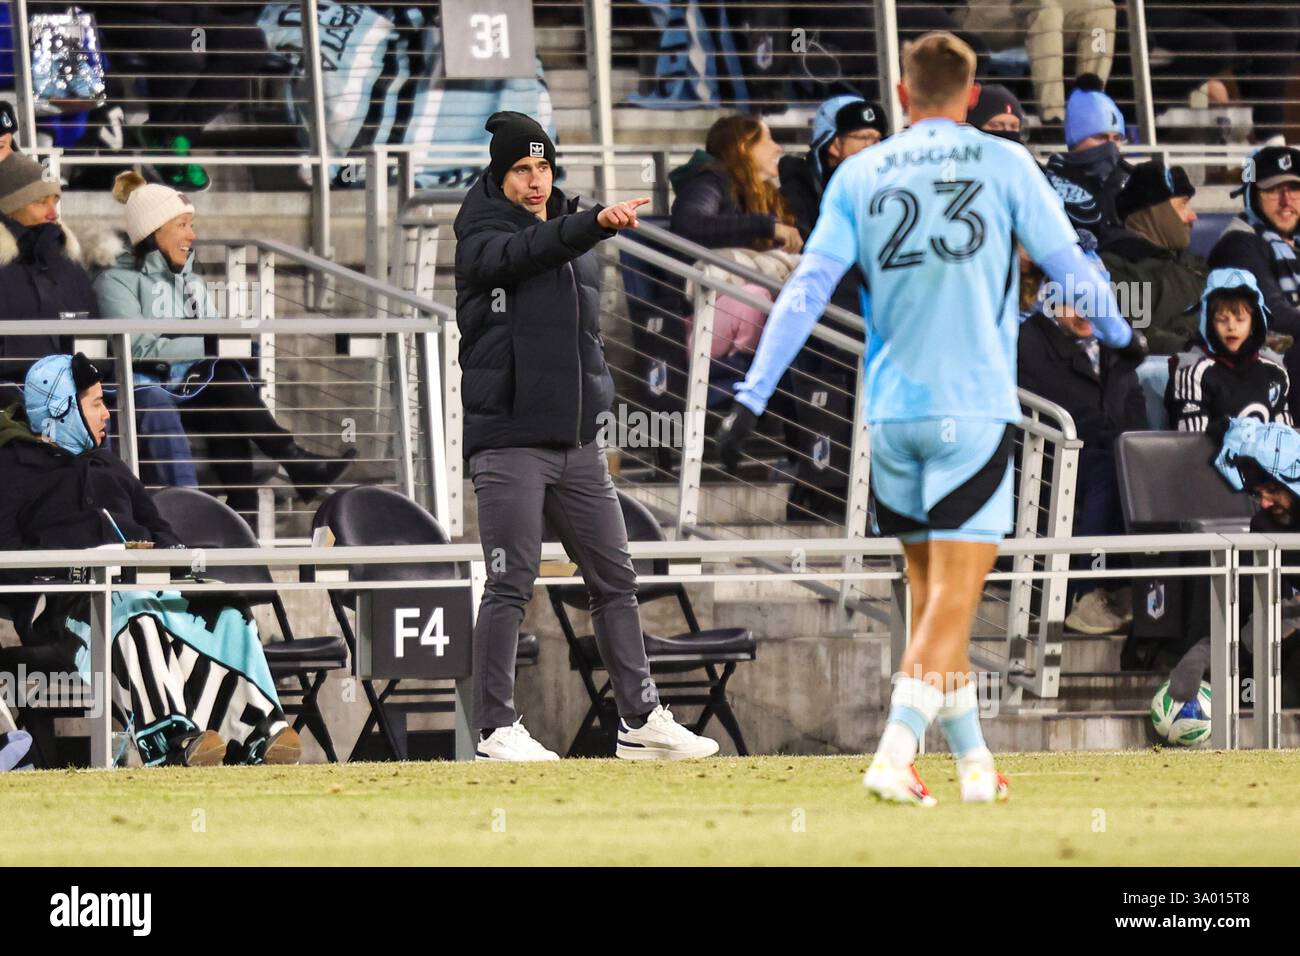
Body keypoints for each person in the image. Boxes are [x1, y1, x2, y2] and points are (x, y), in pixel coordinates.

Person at [718, 32, 1143, 804]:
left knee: (927, 592)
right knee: (956, 597)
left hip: (890, 419)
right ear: (973, 95)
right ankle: (893, 749)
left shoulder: (862, 172)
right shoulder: (1005, 161)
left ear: (904, 96)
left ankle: (975, 764)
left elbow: (808, 289)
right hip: (971, 410)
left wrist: (750, 397)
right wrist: (1121, 334)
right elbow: (1070, 265)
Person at [454, 111, 719, 762]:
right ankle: (493, 730)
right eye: (522, 168)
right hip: (510, 436)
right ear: (500, 173)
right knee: (510, 583)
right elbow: (524, 253)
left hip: (576, 442)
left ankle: (640, 719)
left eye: (544, 167)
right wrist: (588, 225)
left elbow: (581, 333)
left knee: (615, 579)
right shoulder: (482, 231)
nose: (536, 180)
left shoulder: (572, 224)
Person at [0, 353, 300, 766]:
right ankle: (171, 740)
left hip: (143, 585)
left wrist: (167, 556)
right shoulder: (10, 469)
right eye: (95, 403)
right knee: (133, 609)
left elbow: (157, 526)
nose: (107, 414)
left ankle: (259, 732)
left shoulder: (108, 462)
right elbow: (8, 557)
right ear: (61, 407)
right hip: (63, 603)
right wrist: (74, 565)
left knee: (225, 607)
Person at [91, 172, 355, 512]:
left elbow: (212, 335)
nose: (192, 235)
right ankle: (291, 463)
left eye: (191, 225)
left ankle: (247, 508)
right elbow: (137, 349)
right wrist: (213, 348)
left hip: (190, 386)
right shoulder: (114, 281)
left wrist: (223, 348)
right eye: (183, 225)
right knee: (224, 375)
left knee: (227, 392)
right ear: (153, 231)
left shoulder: (190, 280)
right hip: (143, 388)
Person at [1018, 255, 1147, 634]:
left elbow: (1133, 404)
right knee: (1109, 472)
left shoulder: (1114, 346)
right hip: (1049, 458)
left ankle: (1137, 589)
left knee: (1142, 469)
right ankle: (1088, 590)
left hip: (1109, 452)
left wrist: (1135, 448)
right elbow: (1037, 411)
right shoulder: (1027, 343)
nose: (1087, 311)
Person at [1208, 146, 1300, 415]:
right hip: (1262, 365)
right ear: (1251, 194)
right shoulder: (1239, 244)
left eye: (1294, 189)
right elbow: (1272, 313)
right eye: (1273, 190)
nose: (1287, 201)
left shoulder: (1294, 243)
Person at [0, 153, 97, 391]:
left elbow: (95, 339)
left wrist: (91, 378)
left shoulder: (68, 262)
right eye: (41, 202)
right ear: (10, 207)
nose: (54, 213)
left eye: (55, 200)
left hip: (75, 395)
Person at [1099, 161, 1207, 355]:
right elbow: (1136, 333)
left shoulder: (1195, 265)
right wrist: (1196, 348)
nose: (1193, 216)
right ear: (1155, 212)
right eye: (1183, 205)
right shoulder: (1112, 268)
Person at [956, 0, 1116, 127]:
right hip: (983, 11)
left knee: (1101, 8)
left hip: (1038, 10)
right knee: (1045, 9)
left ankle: (1090, 111)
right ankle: (1052, 118)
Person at [1166, 269, 1290, 432]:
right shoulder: (1192, 372)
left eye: (1240, 320)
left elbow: (1287, 439)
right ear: (1208, 323)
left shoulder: (1275, 372)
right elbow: (1192, 446)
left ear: (1254, 323)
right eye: (1221, 319)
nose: (1231, 327)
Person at [669, 114, 803, 254]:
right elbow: (689, 225)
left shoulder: (766, 193)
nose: (778, 149)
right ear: (743, 147)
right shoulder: (710, 181)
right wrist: (767, 227)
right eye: (769, 139)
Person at [779, 97, 889, 240]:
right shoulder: (797, 190)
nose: (873, 147)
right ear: (834, 145)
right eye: (864, 137)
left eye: (877, 139)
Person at [1042, 74, 1130, 246]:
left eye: (1117, 138)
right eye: (1100, 137)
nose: (1110, 146)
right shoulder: (1048, 184)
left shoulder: (1133, 181)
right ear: (1075, 139)